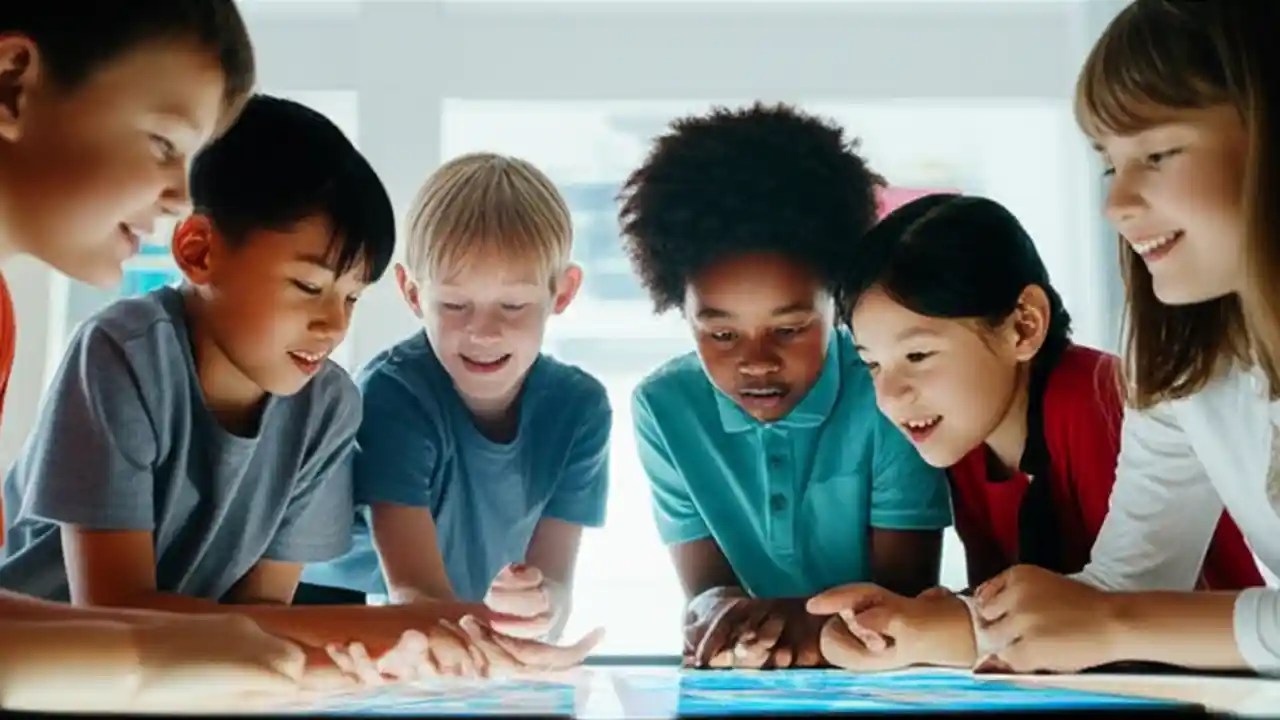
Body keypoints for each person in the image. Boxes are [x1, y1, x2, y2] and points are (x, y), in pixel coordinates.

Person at [0, 94, 599, 682]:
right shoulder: (123, 353)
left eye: (352, 298)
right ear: (198, 250)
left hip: (183, 683)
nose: (334, 325)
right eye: (308, 287)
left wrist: (393, 649)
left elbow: (261, 619)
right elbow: (116, 612)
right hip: (48, 674)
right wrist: (421, 627)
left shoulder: (327, 407)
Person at [807, 192, 1263, 672]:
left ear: (1023, 327)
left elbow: (1128, 600)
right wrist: (900, 625)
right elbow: (1014, 615)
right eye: (871, 364)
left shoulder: (1096, 401)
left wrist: (938, 627)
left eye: (918, 356)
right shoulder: (962, 441)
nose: (891, 396)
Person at [617, 103, 953, 670]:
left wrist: (774, 623)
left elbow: (904, 601)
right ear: (681, 305)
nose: (756, 362)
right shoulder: (664, 408)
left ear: (838, 303)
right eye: (721, 333)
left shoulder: (888, 392)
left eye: (790, 328)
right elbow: (708, 596)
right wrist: (717, 614)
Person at [300, 152, 611, 645]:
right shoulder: (392, 395)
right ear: (411, 292)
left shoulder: (581, 410)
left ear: (563, 293)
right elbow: (414, 591)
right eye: (454, 304)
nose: (483, 332)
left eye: (512, 304)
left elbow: (556, 583)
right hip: (323, 595)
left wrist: (535, 608)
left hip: (449, 603)